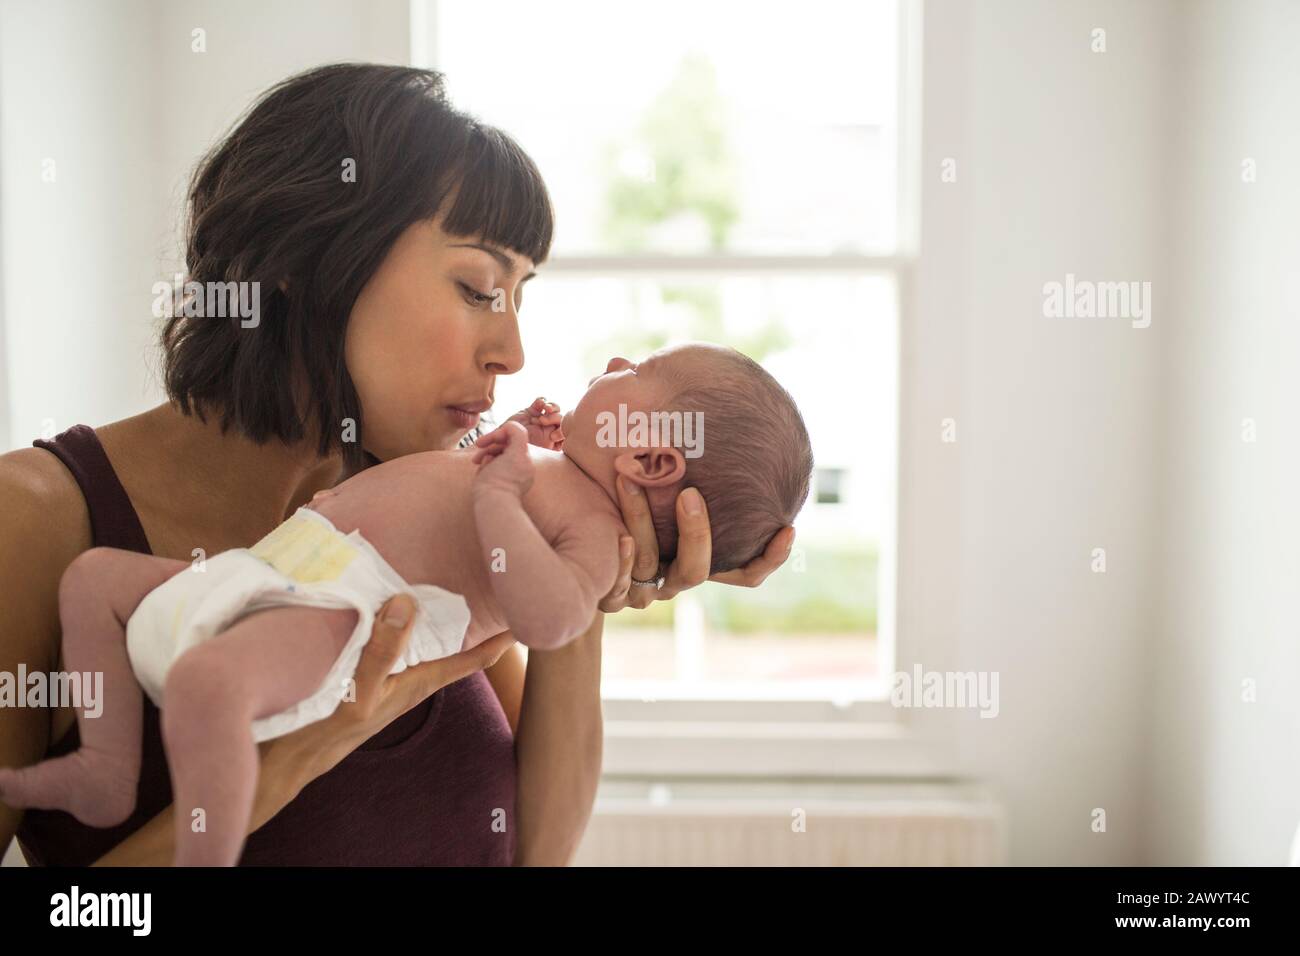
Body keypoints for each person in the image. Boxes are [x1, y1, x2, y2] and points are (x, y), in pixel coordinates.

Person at [0, 63, 794, 866]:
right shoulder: (35, 520)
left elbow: (540, 850)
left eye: (522, 296)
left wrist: (595, 557)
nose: (513, 352)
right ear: (305, 256)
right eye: (479, 287)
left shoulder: (438, 514)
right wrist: (296, 757)